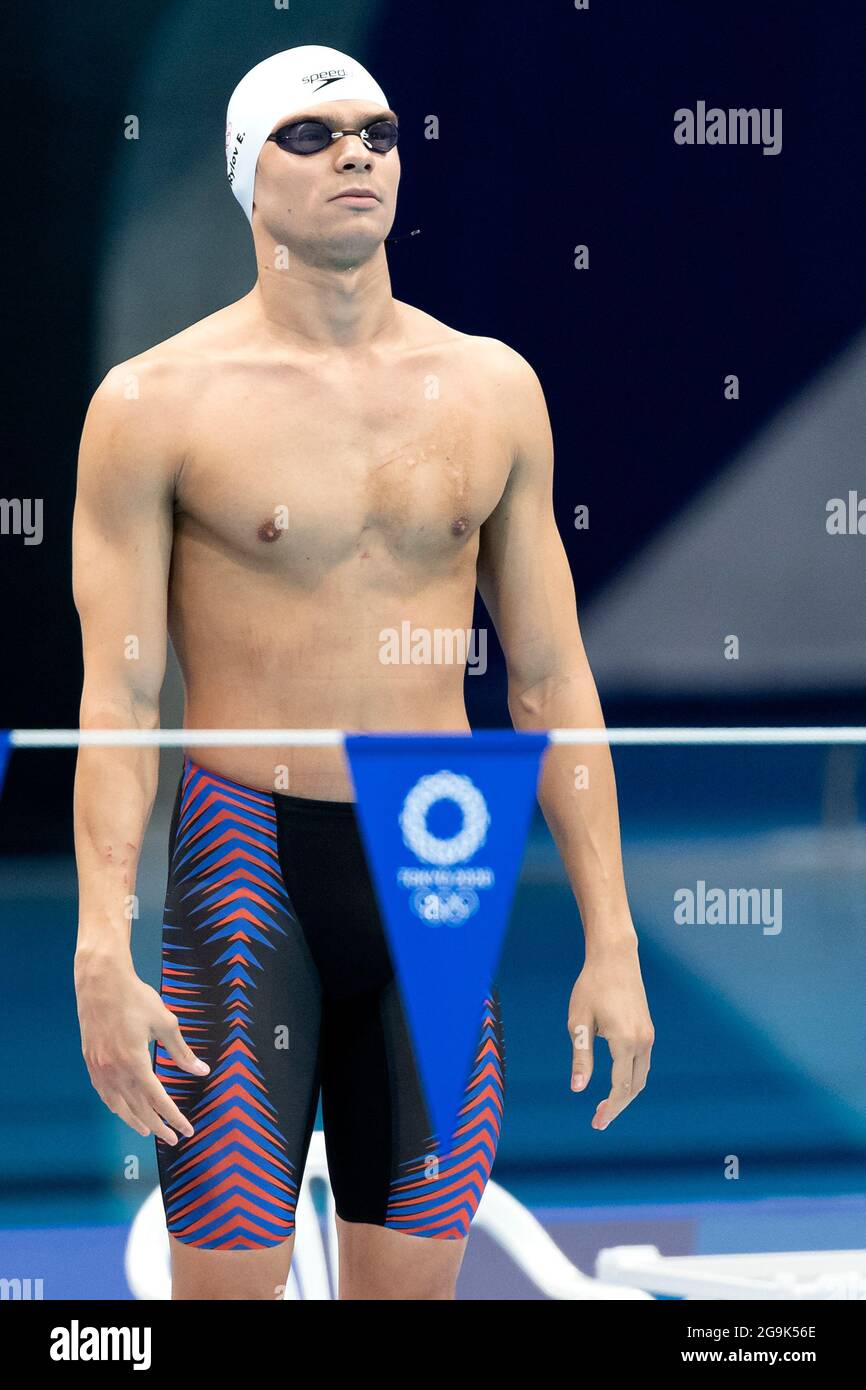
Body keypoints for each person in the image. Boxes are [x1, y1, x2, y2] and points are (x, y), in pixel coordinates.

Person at [72, 44, 654, 1301]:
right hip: (245, 866)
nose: (356, 153)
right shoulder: (154, 403)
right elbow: (117, 701)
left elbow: (550, 680)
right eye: (311, 133)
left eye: (379, 132)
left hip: (434, 857)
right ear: (244, 177)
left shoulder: (492, 389)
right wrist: (97, 944)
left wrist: (612, 936)